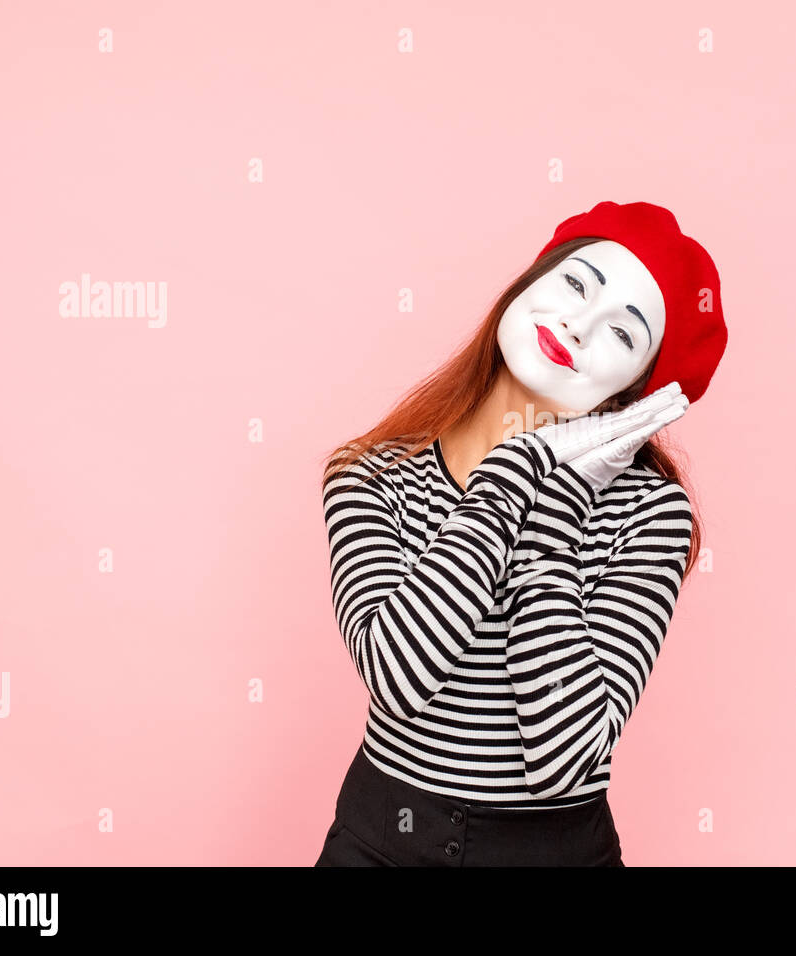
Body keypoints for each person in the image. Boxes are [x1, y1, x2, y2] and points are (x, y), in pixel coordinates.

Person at [314, 200, 727, 866]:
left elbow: (564, 757)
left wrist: (551, 519)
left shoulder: (651, 513)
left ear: (638, 393)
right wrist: (515, 473)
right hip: (383, 840)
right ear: (531, 280)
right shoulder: (372, 475)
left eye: (623, 335)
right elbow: (397, 675)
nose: (578, 324)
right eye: (575, 284)